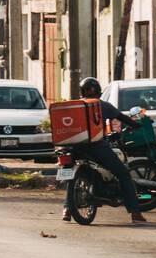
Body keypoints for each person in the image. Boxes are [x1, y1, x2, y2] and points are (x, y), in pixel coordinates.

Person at [63, 77, 146, 225]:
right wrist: (136, 125)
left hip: (74, 148)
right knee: (123, 173)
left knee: (69, 174)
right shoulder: (102, 105)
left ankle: (67, 210)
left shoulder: (74, 106)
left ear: (82, 91)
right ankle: (135, 212)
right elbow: (121, 117)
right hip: (96, 148)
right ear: (99, 92)